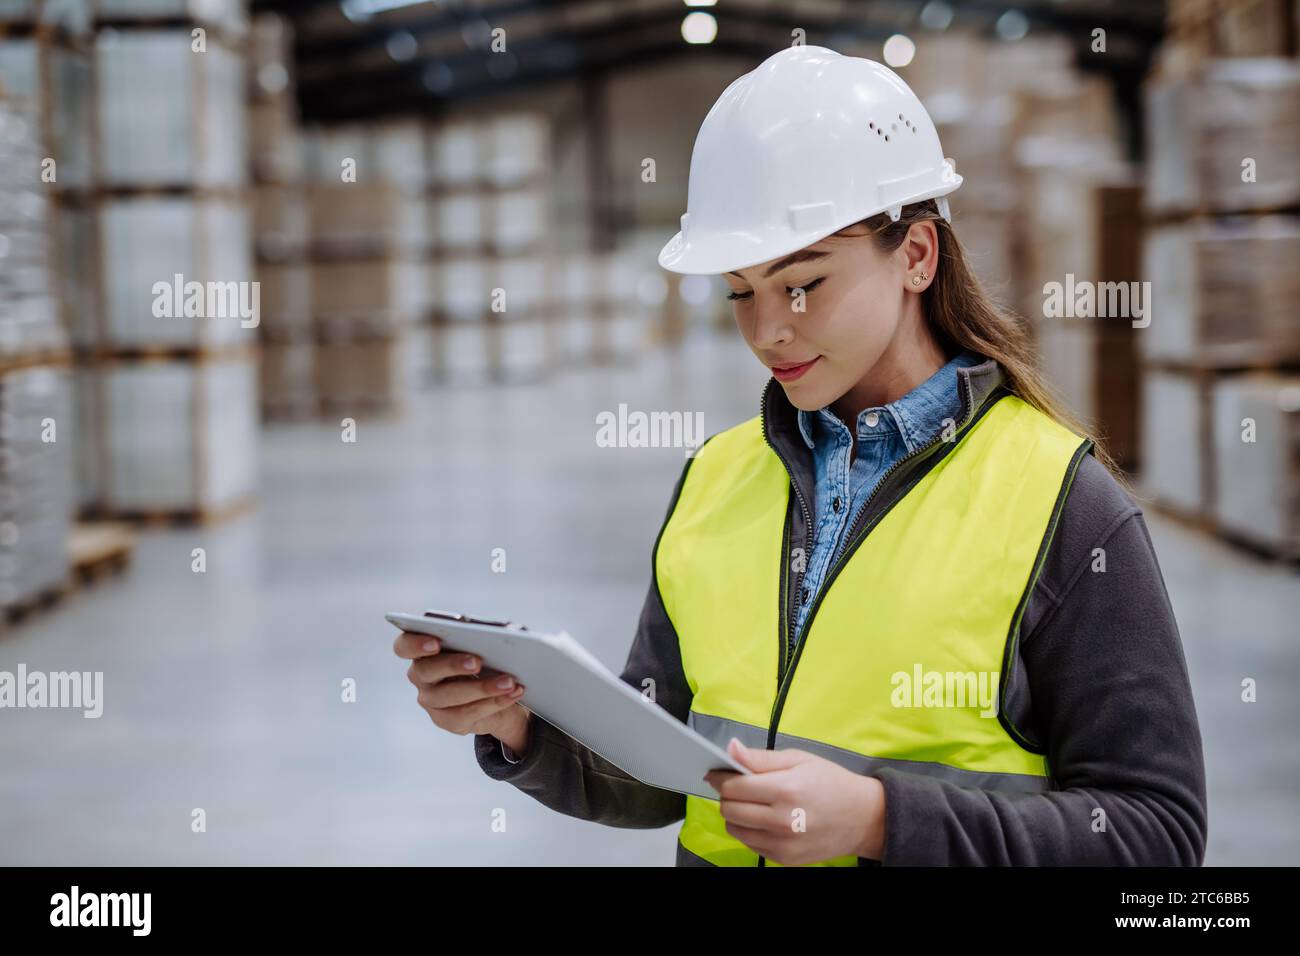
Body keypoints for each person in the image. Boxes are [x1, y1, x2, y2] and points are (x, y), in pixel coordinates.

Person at [393, 45, 1207, 866]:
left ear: (917, 255)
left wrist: (884, 822)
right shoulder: (716, 480)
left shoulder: (1061, 504)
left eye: (803, 283)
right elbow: (661, 771)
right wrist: (518, 723)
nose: (767, 329)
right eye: (741, 291)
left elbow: (1155, 835)